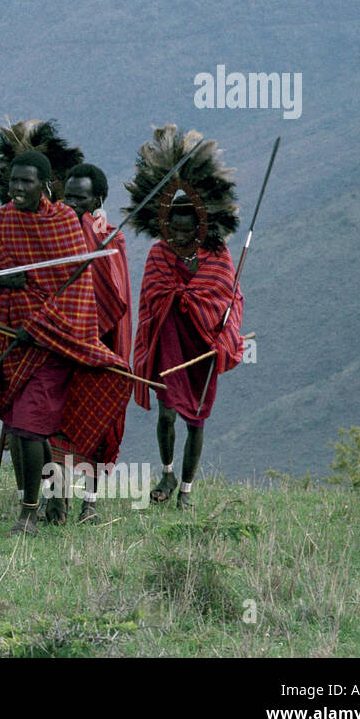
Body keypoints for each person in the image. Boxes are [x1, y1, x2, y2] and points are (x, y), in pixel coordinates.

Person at [0, 151, 132, 537]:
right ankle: (50, 497)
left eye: (26, 182)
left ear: (45, 185)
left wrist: (40, 327)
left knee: (28, 427)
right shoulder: (2, 220)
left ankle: (28, 514)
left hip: (53, 345)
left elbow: (77, 292)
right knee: (19, 428)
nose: (18, 189)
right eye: (13, 182)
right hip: (12, 344)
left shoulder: (63, 224)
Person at [133, 202, 244, 510]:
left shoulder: (217, 254)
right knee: (166, 412)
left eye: (186, 229)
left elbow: (228, 297)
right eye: (174, 229)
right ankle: (166, 474)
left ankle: (186, 491)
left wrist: (221, 332)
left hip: (203, 345)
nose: (178, 236)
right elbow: (150, 298)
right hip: (168, 341)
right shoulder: (159, 253)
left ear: (200, 229)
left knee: (197, 419)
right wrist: (176, 297)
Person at [60, 163, 132, 522]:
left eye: (80, 197)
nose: (72, 203)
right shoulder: (56, 230)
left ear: (98, 199)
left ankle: (90, 501)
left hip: (99, 344)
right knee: (56, 417)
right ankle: (55, 497)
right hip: (60, 340)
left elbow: (114, 295)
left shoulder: (110, 237)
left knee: (98, 421)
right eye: (67, 196)